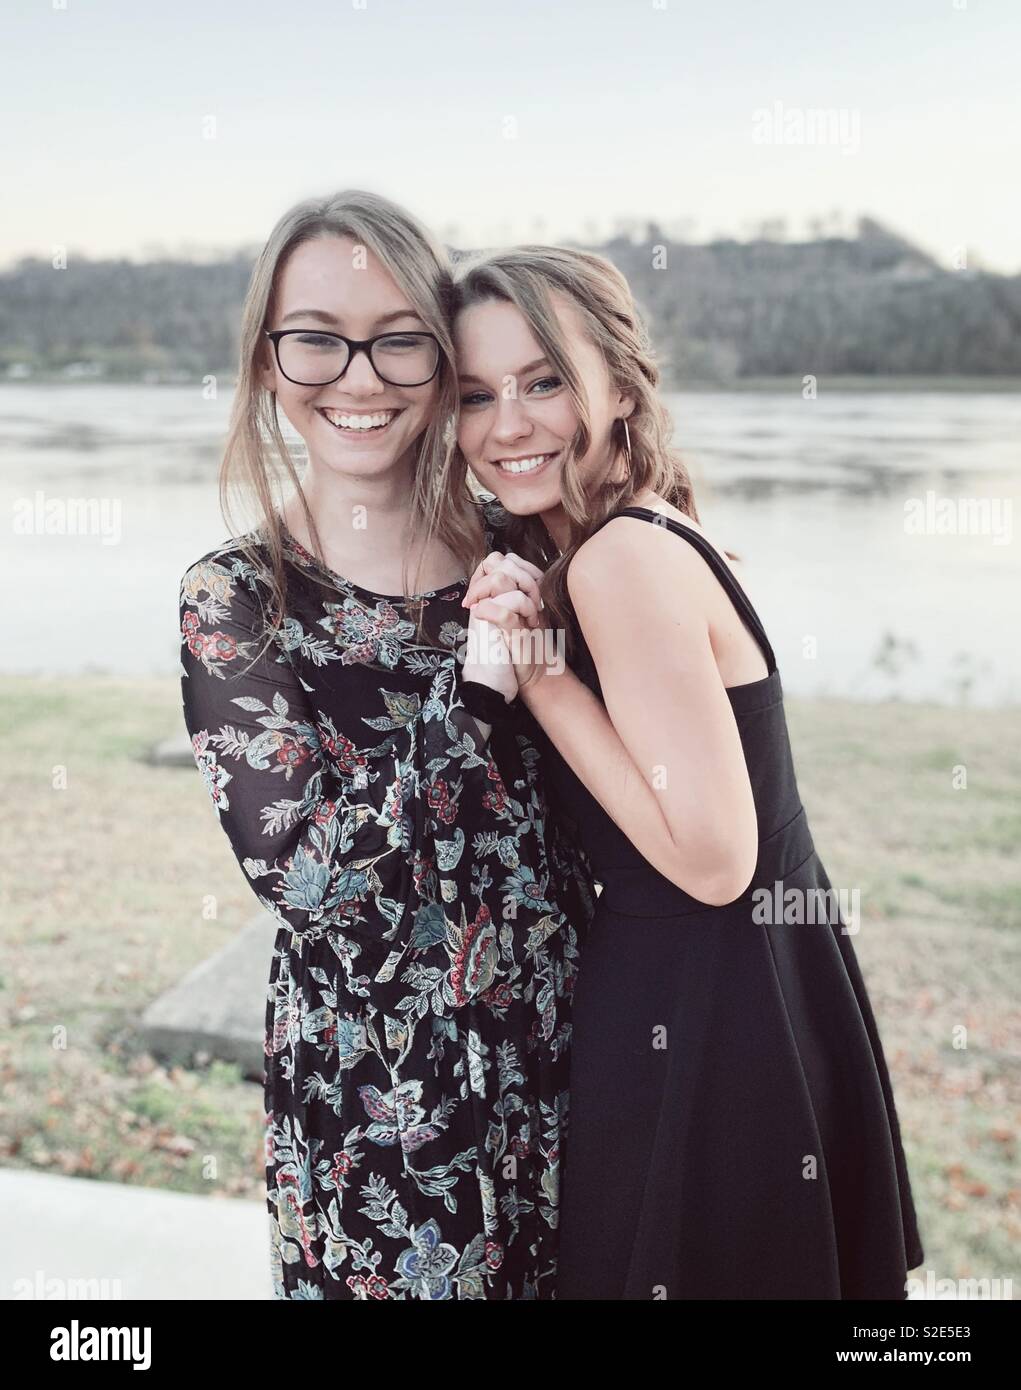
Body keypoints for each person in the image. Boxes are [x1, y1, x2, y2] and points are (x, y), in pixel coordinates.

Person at [450, 243, 925, 1299]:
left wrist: (536, 677)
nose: (505, 423)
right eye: (475, 393)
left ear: (616, 384)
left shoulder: (621, 558)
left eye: (541, 381)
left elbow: (713, 859)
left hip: (707, 1017)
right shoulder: (644, 534)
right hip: (756, 994)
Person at [178, 194, 595, 1300]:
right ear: (268, 360)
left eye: (398, 338)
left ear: (438, 359)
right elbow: (301, 871)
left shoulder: (532, 554)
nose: (357, 377)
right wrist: (476, 696)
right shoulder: (237, 598)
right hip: (375, 1112)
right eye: (316, 335)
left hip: (577, 1063)